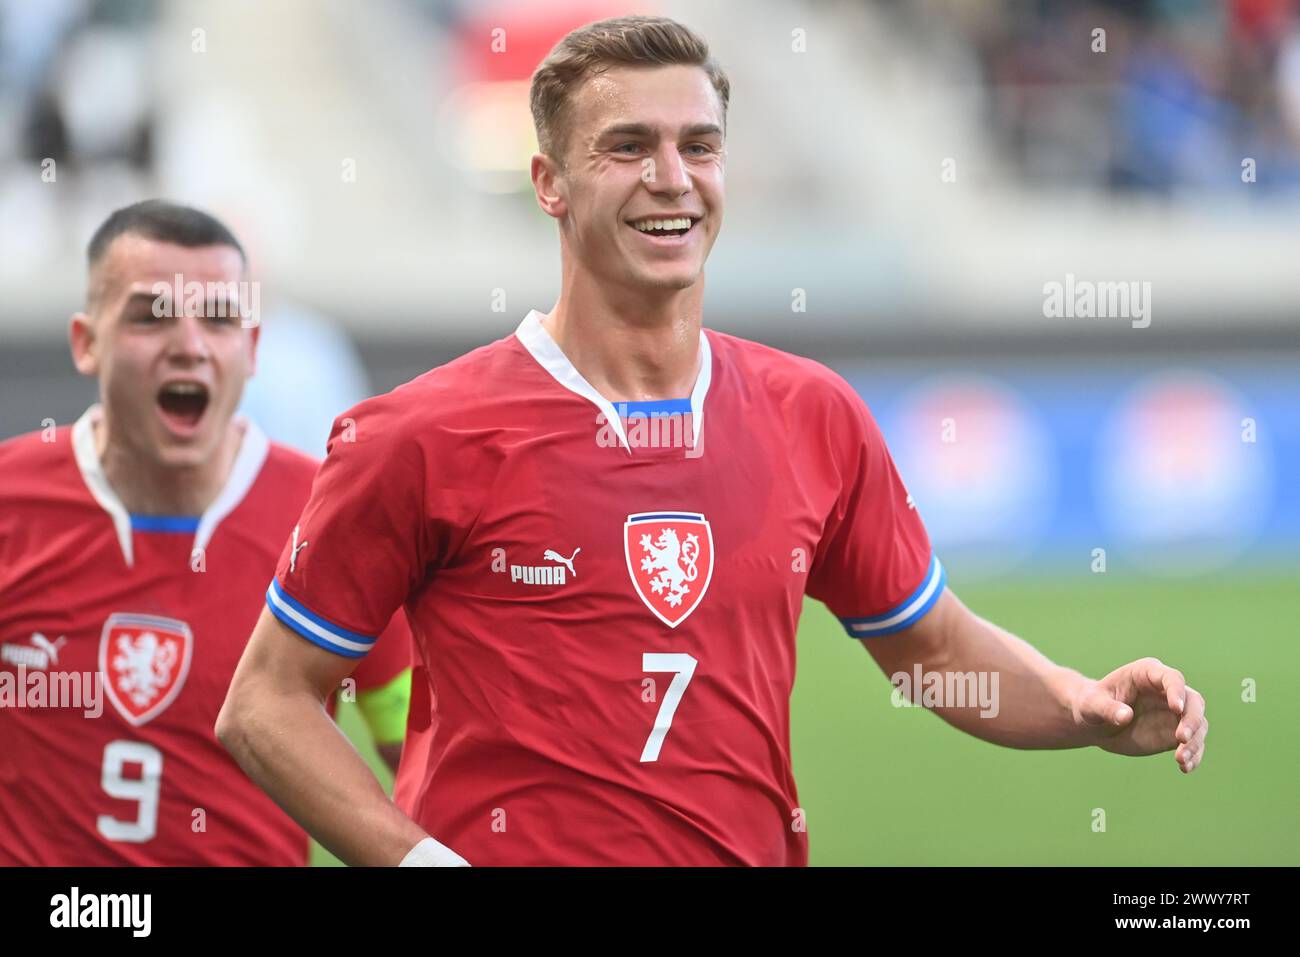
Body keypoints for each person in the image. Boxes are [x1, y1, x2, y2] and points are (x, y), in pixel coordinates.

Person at [217, 16, 1207, 867]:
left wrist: (1079, 703)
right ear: (549, 183)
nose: (670, 179)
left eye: (698, 145)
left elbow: (933, 647)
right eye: (627, 147)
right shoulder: (422, 433)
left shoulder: (810, 413)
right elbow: (266, 704)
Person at [0, 200, 411, 865]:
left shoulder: (330, 520)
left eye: (219, 319)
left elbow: (424, 755)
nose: (188, 343)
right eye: (149, 315)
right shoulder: (11, 502)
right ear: (86, 341)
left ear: (250, 349)